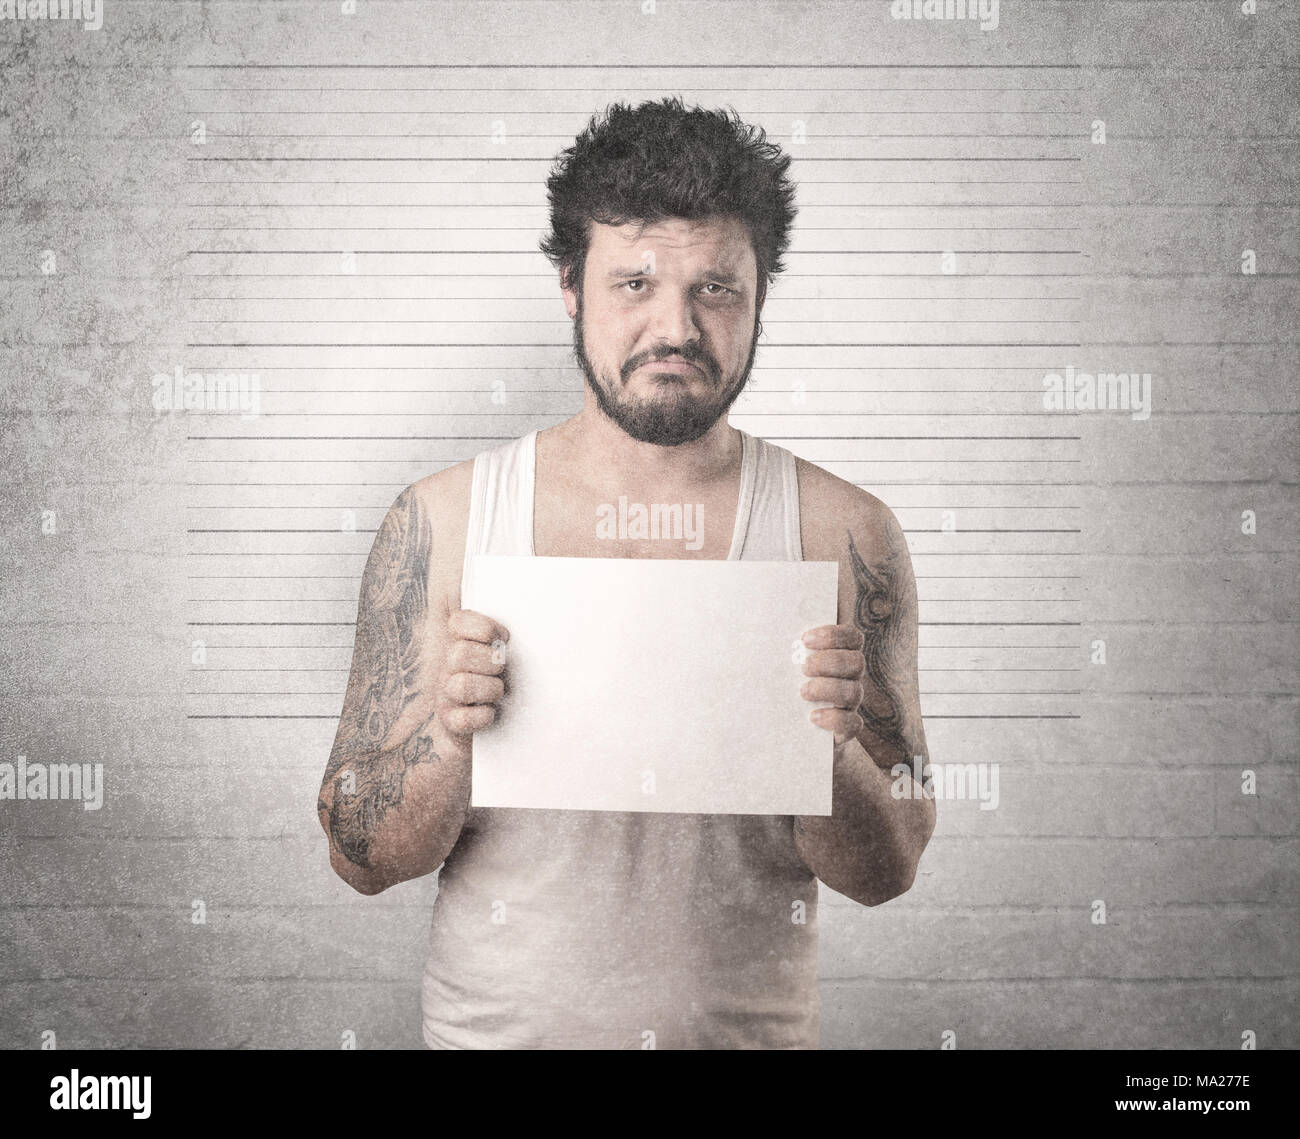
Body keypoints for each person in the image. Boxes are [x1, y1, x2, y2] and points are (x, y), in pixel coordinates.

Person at [316, 96, 935, 1049]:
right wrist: (447, 738)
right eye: (634, 282)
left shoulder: (846, 531)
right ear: (571, 284)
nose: (675, 325)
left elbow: (888, 869)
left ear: (762, 291)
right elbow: (356, 853)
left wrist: (834, 746)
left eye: (716, 288)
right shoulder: (441, 521)